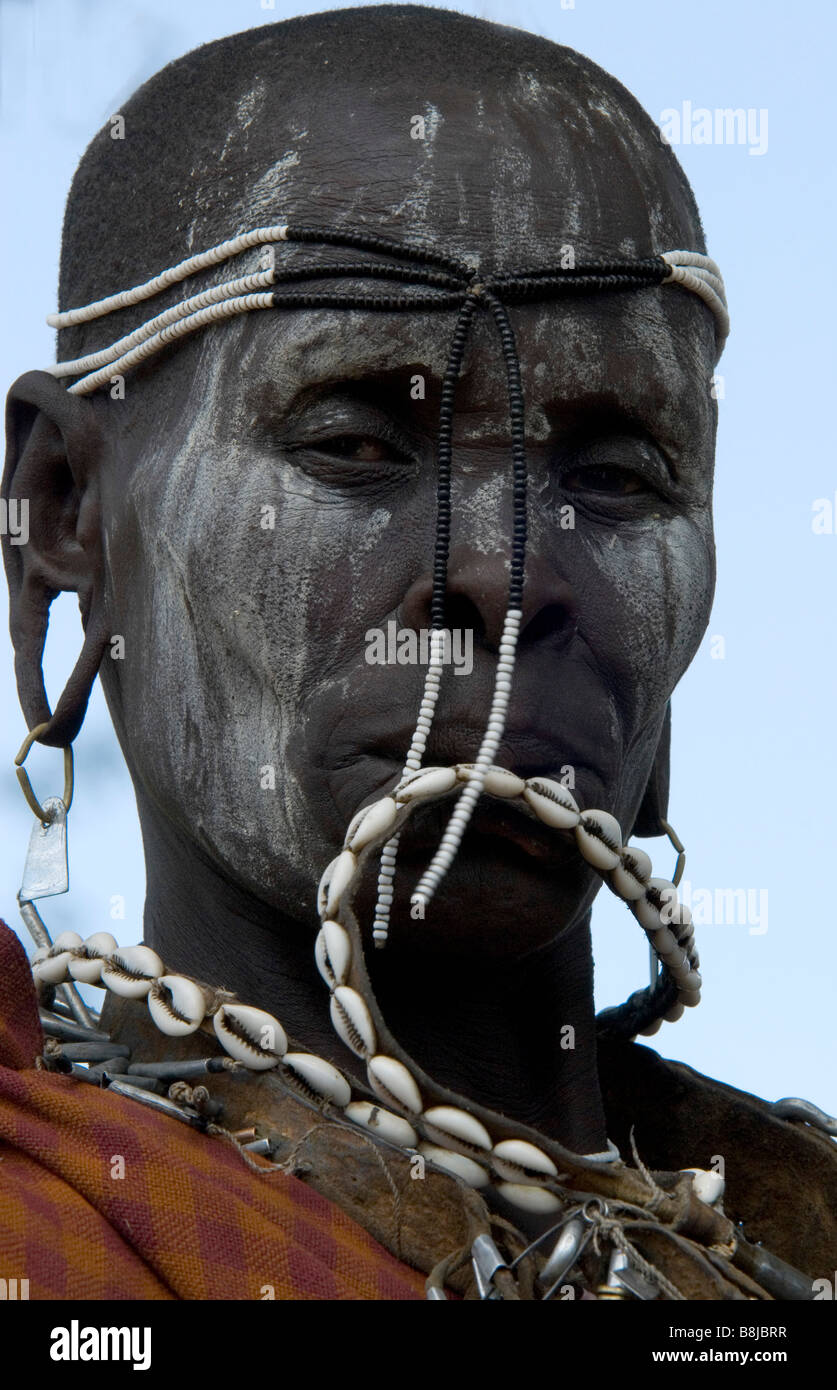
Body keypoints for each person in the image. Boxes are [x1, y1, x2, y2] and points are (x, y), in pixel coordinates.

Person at [1, 5, 834, 1301]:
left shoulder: (790, 1219)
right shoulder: (49, 1238)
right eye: (356, 445)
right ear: (64, 511)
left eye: (616, 473)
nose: (511, 576)